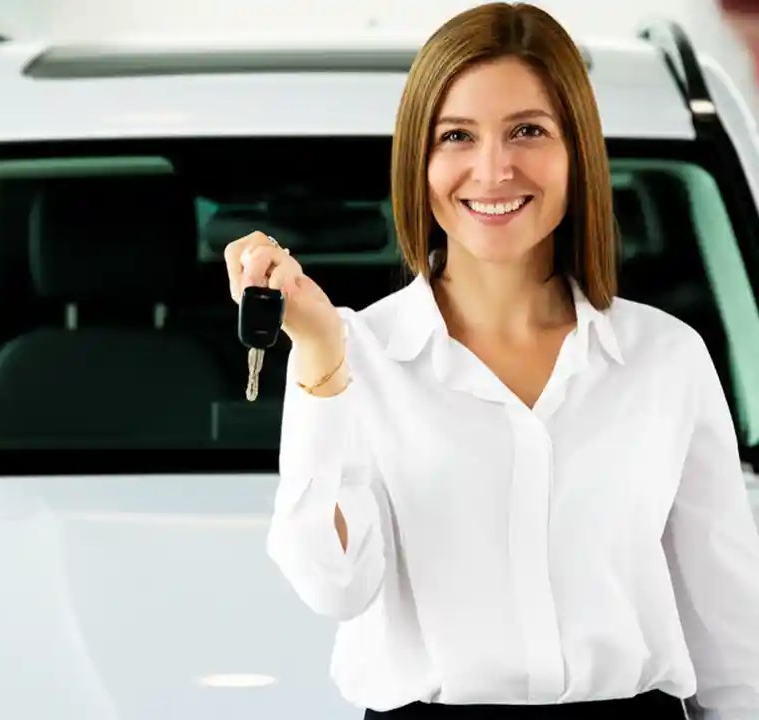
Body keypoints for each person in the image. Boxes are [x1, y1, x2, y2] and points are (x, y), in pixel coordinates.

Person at [225, 3, 759, 719]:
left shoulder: (665, 359)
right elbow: (334, 585)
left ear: (577, 151)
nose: (494, 168)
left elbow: (729, 633)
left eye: (528, 131)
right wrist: (321, 354)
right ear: (420, 161)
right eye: (457, 136)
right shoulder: (358, 361)